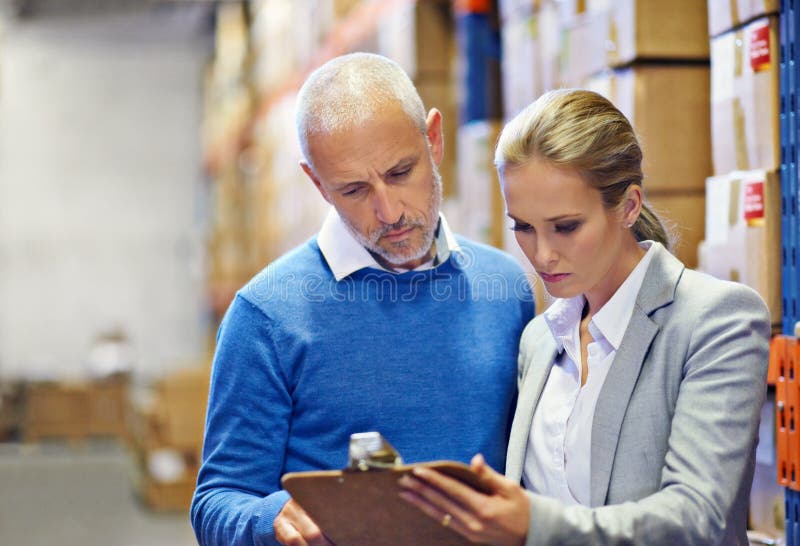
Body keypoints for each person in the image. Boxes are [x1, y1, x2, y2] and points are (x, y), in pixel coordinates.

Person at [190, 52, 535, 546]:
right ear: (318, 184)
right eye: (353, 190)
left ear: (434, 139)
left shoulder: (506, 289)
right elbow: (218, 499)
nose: (388, 212)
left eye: (400, 172)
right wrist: (270, 519)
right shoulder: (266, 316)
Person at [398, 88, 771, 546]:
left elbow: (695, 519)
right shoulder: (540, 339)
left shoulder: (716, 321)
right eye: (523, 227)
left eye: (566, 226)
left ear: (629, 206)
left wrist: (533, 524)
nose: (542, 254)